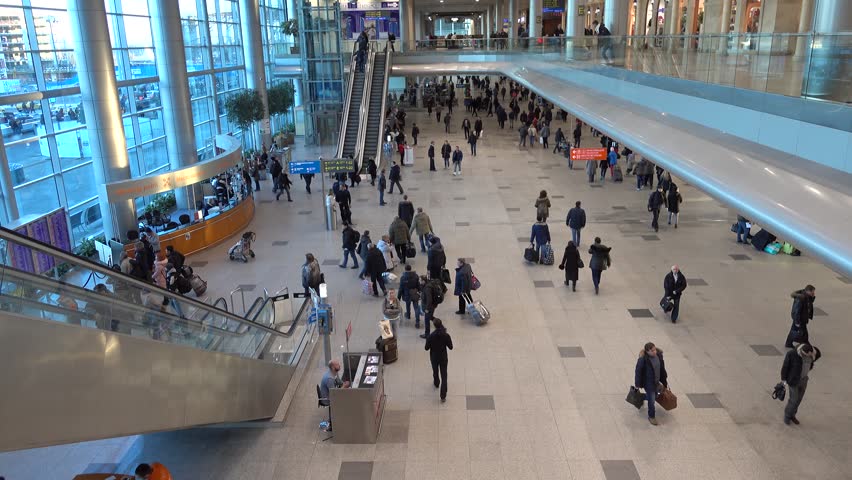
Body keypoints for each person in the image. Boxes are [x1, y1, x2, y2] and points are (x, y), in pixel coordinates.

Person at [780, 343, 821, 425]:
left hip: (804, 380)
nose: (807, 357)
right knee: (793, 399)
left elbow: (816, 358)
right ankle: (787, 416)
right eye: (805, 355)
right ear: (802, 351)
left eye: (809, 355)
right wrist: (783, 380)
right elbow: (785, 367)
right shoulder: (792, 354)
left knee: (799, 399)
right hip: (793, 380)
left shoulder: (813, 352)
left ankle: (793, 415)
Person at [634, 342, 669, 425]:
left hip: (657, 382)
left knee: (656, 396)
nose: (654, 352)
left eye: (654, 350)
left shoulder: (659, 356)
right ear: (647, 351)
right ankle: (651, 416)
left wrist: (664, 381)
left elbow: (662, 369)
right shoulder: (643, 360)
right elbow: (638, 372)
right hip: (648, 384)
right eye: (652, 351)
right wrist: (637, 384)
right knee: (652, 401)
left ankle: (642, 397)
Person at [425, 318, 453, 402]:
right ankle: (443, 395)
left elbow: (426, 348)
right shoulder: (446, 335)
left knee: (435, 371)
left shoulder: (431, 336)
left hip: (434, 357)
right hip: (443, 357)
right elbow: (451, 347)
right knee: (444, 375)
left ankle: (436, 383)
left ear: (434, 326)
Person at [319, 359, 350, 431]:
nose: (339, 365)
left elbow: (339, 382)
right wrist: (344, 387)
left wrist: (343, 384)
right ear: (333, 367)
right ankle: (335, 422)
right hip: (328, 399)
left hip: (331, 394)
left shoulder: (334, 373)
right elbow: (334, 394)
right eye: (337, 365)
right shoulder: (329, 378)